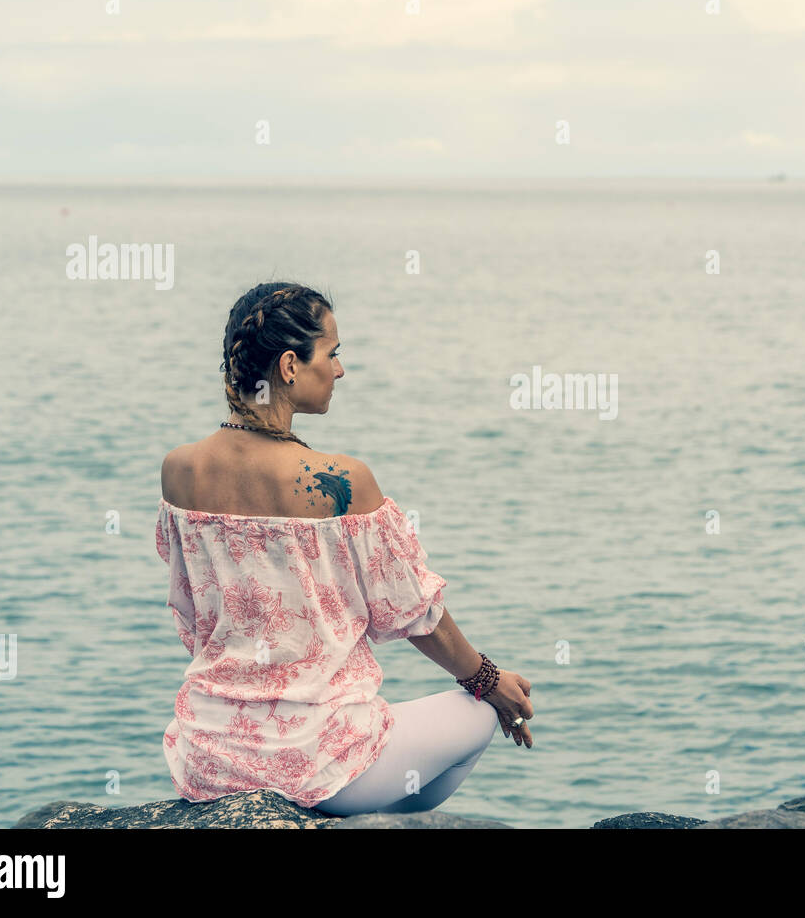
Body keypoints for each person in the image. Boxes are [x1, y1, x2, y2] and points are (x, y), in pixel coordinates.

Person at [155, 280, 533, 817]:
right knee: (475, 714)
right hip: (315, 761)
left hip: (209, 757)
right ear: (290, 366)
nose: (339, 369)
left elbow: (193, 615)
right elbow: (415, 613)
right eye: (331, 354)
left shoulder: (179, 470)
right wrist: (489, 681)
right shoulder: (340, 480)